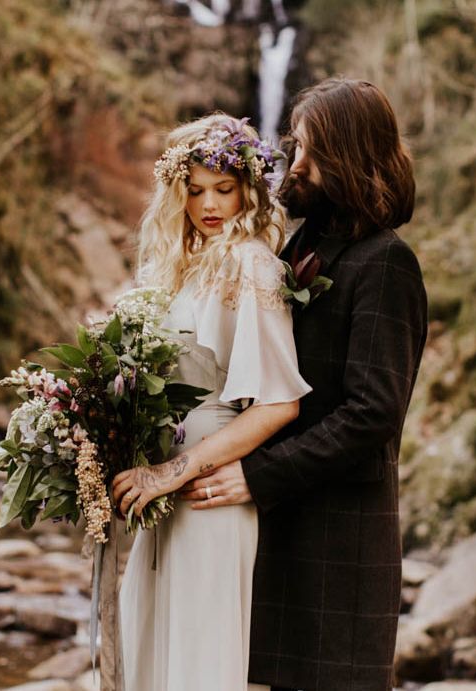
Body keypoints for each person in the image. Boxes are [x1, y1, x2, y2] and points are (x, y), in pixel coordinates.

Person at [178, 78, 428, 691]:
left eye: (310, 149)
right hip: (283, 539)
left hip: (340, 551)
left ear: (346, 157)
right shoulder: (301, 246)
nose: (296, 161)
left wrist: (256, 476)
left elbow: (371, 416)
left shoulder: (385, 262)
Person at [111, 114, 312, 691]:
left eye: (223, 189)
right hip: (162, 488)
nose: (209, 204)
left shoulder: (251, 265)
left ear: (248, 188)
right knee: (153, 651)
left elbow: (277, 405)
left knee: (199, 662)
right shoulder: (176, 264)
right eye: (194, 190)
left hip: (205, 491)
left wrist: (172, 473)